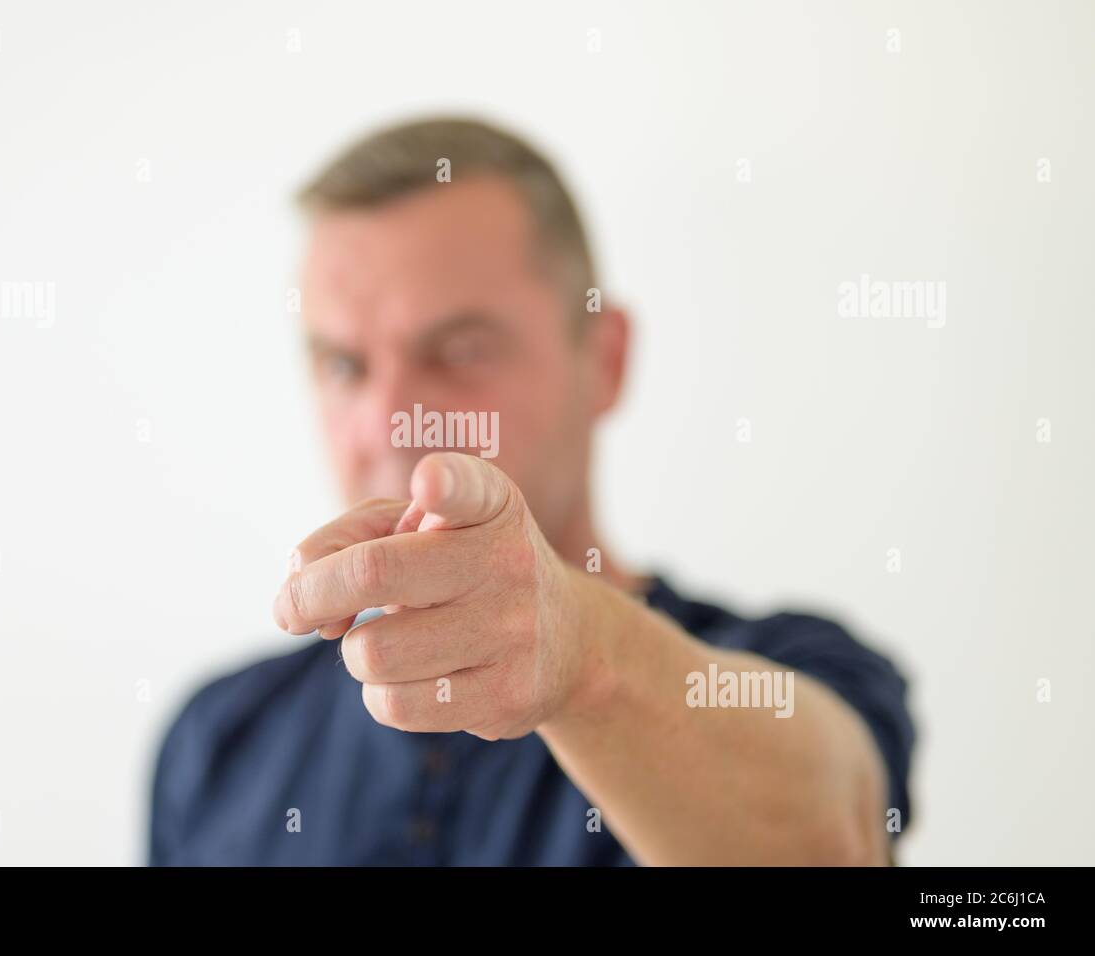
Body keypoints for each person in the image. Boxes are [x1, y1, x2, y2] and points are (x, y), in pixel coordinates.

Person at [148, 116, 916, 866]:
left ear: (606, 360)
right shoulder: (221, 739)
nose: (388, 421)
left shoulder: (783, 670)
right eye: (345, 366)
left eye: (459, 350)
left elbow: (831, 838)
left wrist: (581, 655)